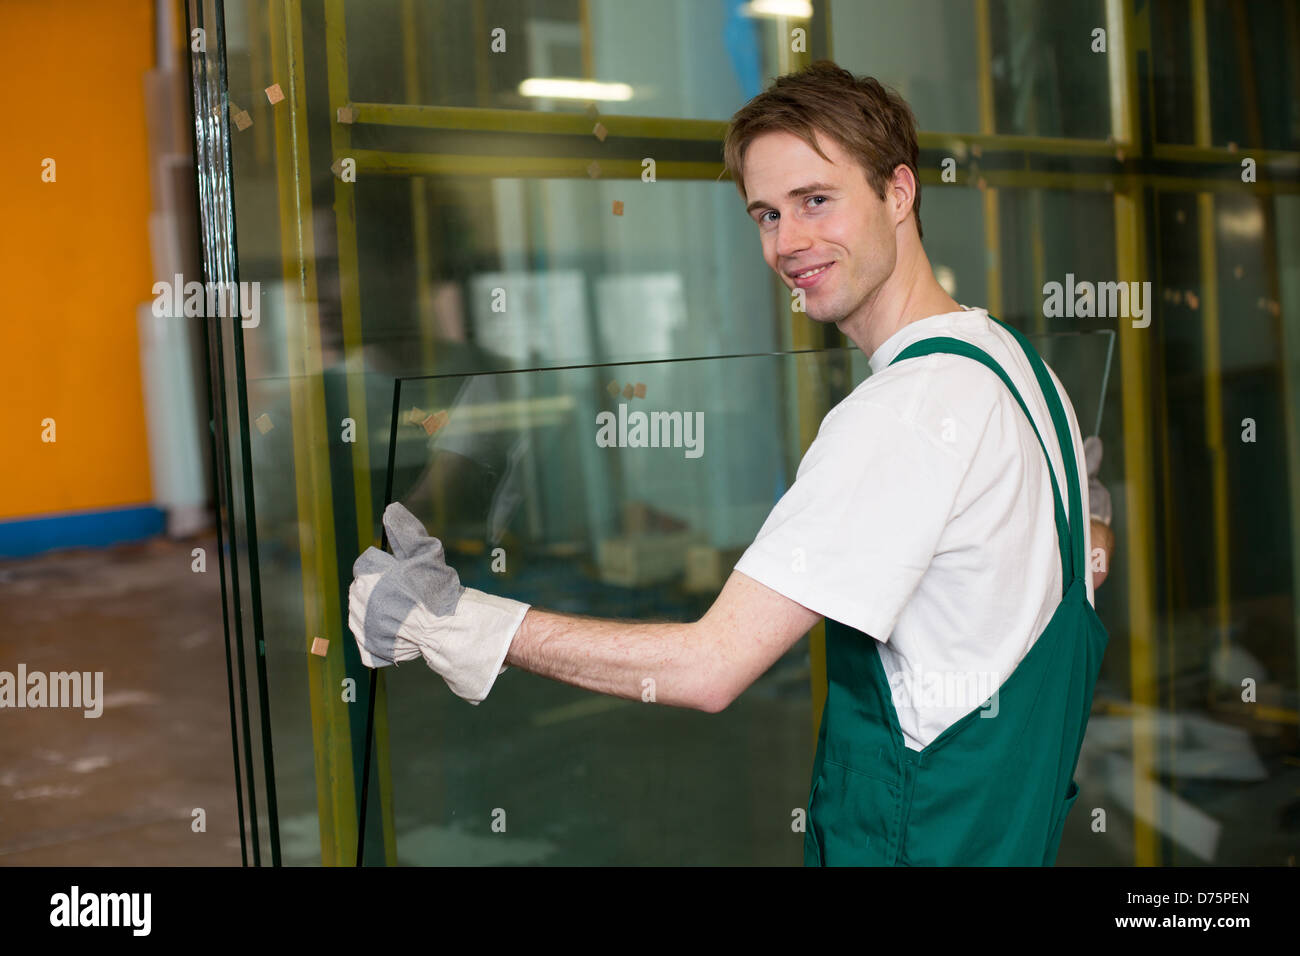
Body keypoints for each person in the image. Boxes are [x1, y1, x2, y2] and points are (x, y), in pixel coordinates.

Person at [348, 61, 1114, 866]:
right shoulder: (1018, 367)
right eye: (767, 214)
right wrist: (1080, 510)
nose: (789, 243)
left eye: (817, 200)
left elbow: (709, 668)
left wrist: (462, 625)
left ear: (898, 192)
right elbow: (1083, 573)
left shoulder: (900, 414)